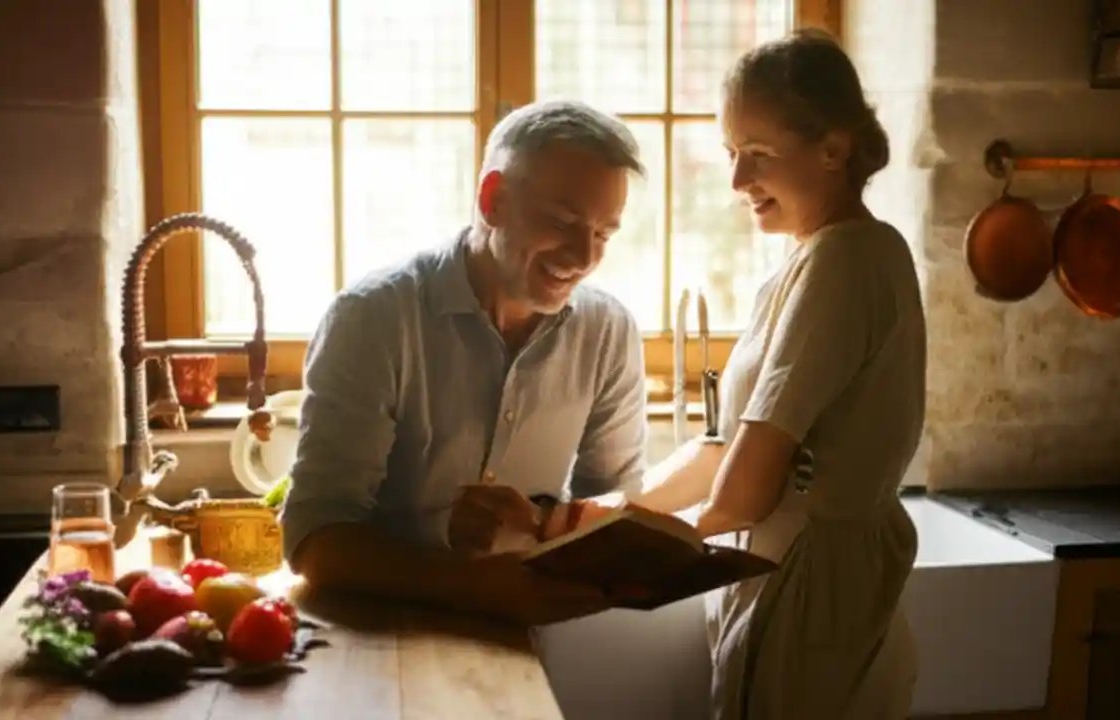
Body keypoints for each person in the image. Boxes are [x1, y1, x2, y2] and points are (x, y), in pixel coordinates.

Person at [572, 29, 924, 718]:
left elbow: (749, 481)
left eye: (758, 154)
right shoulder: (816, 256)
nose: (736, 181)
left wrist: (653, 547)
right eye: (732, 153)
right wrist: (618, 512)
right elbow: (728, 448)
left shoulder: (845, 262)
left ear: (834, 148)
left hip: (813, 588)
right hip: (800, 573)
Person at [279, 99, 650, 626]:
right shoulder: (373, 318)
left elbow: (616, 510)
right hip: (379, 639)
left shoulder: (609, 332)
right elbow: (314, 540)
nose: (584, 256)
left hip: (522, 644)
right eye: (562, 221)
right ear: (492, 199)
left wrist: (540, 522)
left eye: (603, 234)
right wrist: (473, 586)